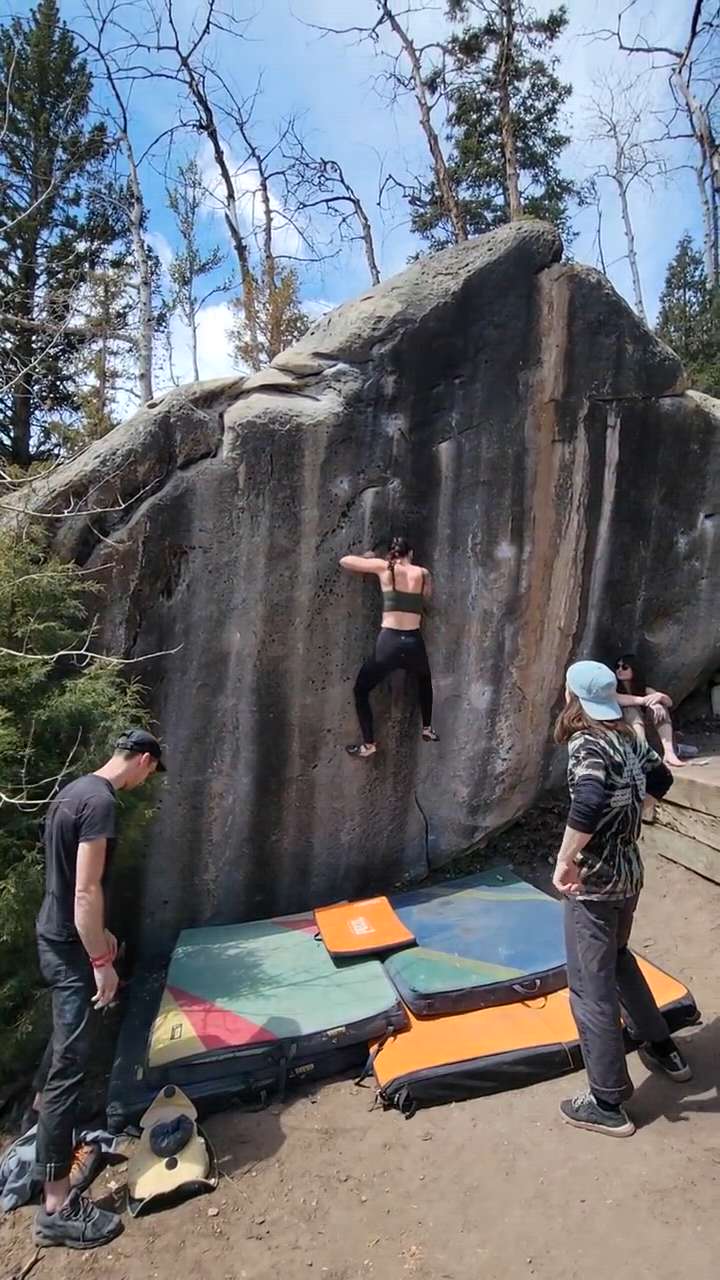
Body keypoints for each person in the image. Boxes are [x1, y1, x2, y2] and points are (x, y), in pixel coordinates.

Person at [31, 729, 165, 1250]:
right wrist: (101, 960)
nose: (146, 781)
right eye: (150, 772)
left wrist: (100, 934)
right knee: (70, 1064)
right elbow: (85, 890)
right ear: (144, 760)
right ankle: (56, 1205)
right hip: (70, 945)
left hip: (57, 929)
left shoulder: (75, 790)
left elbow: (65, 884)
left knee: (60, 1054)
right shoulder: (102, 804)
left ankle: (42, 1150)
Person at [553, 660, 691, 1139]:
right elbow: (662, 782)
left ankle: (606, 1100)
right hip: (629, 874)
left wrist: (566, 860)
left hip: (594, 882)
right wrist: (638, 805)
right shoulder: (629, 738)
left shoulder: (586, 742)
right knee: (618, 959)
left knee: (590, 987)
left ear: (573, 696)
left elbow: (588, 800)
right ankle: (661, 1047)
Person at [340, 536, 438, 759]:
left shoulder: (384, 567)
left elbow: (345, 561)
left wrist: (367, 558)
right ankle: (427, 727)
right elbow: (426, 596)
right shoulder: (423, 573)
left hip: (390, 642)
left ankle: (369, 744)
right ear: (410, 553)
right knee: (424, 679)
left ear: (392, 554)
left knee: (361, 690)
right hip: (414, 641)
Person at [614, 652, 684, 767]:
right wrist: (647, 701)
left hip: (651, 735)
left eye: (625, 667)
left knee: (660, 707)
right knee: (630, 709)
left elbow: (669, 703)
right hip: (628, 737)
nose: (619, 670)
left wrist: (660, 697)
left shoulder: (644, 689)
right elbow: (621, 699)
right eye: (617, 667)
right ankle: (642, 752)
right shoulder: (614, 690)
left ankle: (669, 753)